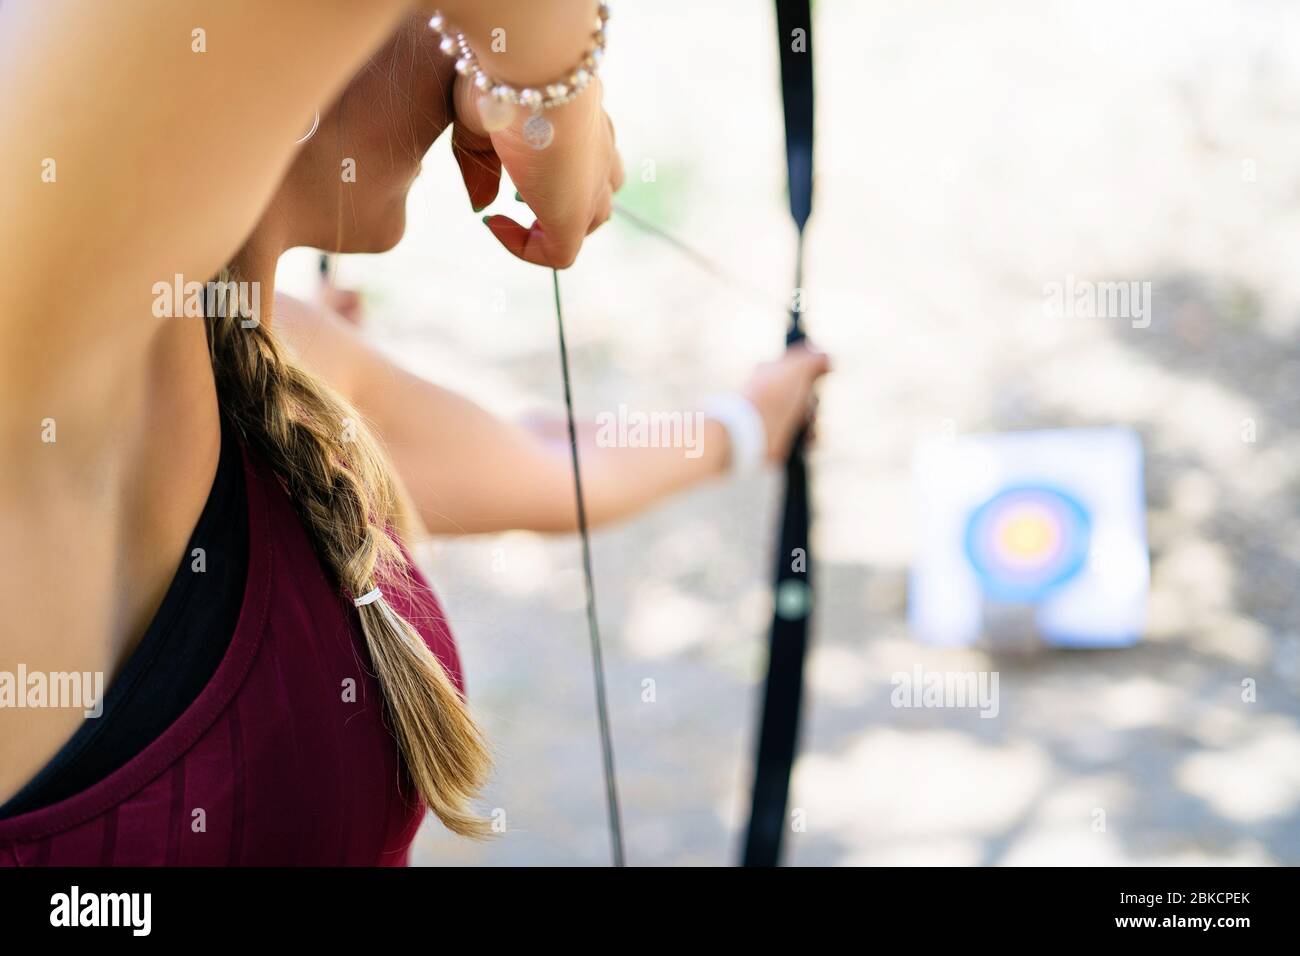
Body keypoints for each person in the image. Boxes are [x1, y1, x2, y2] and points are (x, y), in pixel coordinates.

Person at [0, 1, 826, 864]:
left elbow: (547, 459)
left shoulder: (273, 356)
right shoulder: (57, 378)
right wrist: (550, 101)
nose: (462, 53)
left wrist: (743, 424)